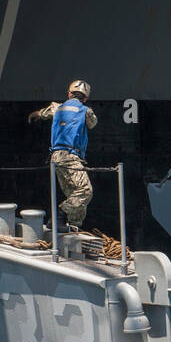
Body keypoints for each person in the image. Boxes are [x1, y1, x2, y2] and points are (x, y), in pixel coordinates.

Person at [29, 80, 98, 230]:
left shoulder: (57, 107)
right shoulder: (86, 111)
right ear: (85, 98)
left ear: (68, 94)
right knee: (85, 191)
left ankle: (73, 227)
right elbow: (93, 124)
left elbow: (40, 114)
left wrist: (34, 115)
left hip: (56, 157)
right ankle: (59, 216)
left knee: (74, 194)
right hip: (70, 156)